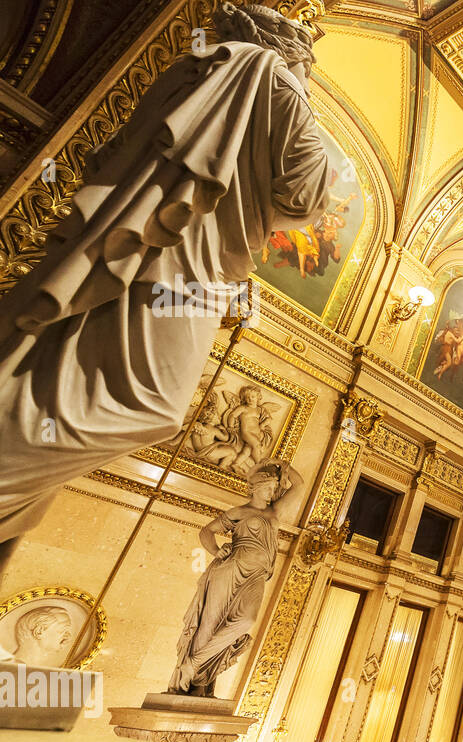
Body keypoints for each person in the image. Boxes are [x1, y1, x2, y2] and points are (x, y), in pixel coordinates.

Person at [0, 3, 331, 576]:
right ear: (292, 46)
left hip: (161, 246)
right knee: (145, 406)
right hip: (181, 254)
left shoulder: (204, 65)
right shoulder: (266, 75)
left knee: (73, 372)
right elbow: (306, 193)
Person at [169, 460, 302, 696]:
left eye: (274, 488)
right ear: (256, 487)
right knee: (210, 622)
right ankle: (194, 679)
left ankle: (194, 662)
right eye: (269, 487)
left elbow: (299, 486)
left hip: (256, 575)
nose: (273, 492)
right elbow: (206, 531)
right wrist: (215, 550)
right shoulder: (239, 512)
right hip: (230, 569)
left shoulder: (274, 512)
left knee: (246, 621)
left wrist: (284, 467)